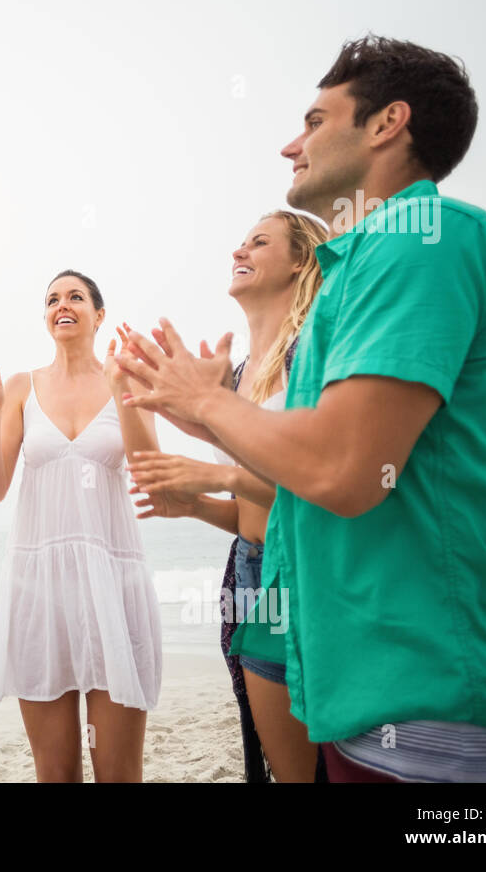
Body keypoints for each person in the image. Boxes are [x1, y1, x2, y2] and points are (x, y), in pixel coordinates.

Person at [117, 36, 486, 781]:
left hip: (456, 727)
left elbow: (345, 468)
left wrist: (209, 401)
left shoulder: (423, 236)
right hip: (376, 710)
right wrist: (208, 416)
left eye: (313, 120)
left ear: (386, 124)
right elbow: (316, 474)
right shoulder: (359, 271)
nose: (289, 145)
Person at [127, 211, 327, 782]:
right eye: (239, 242)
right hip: (251, 569)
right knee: (280, 770)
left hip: (311, 577)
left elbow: (329, 483)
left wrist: (217, 474)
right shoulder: (238, 376)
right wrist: (192, 504)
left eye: (259, 242)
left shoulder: (311, 355)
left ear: (300, 259)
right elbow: (252, 515)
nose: (239, 251)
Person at [0, 270, 162, 782]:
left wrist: (126, 390)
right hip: (40, 592)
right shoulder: (19, 387)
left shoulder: (124, 380)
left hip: (112, 586)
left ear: (99, 316)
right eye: (52, 299)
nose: (62, 305)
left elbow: (150, 472)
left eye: (75, 296)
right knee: (54, 771)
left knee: (118, 770)